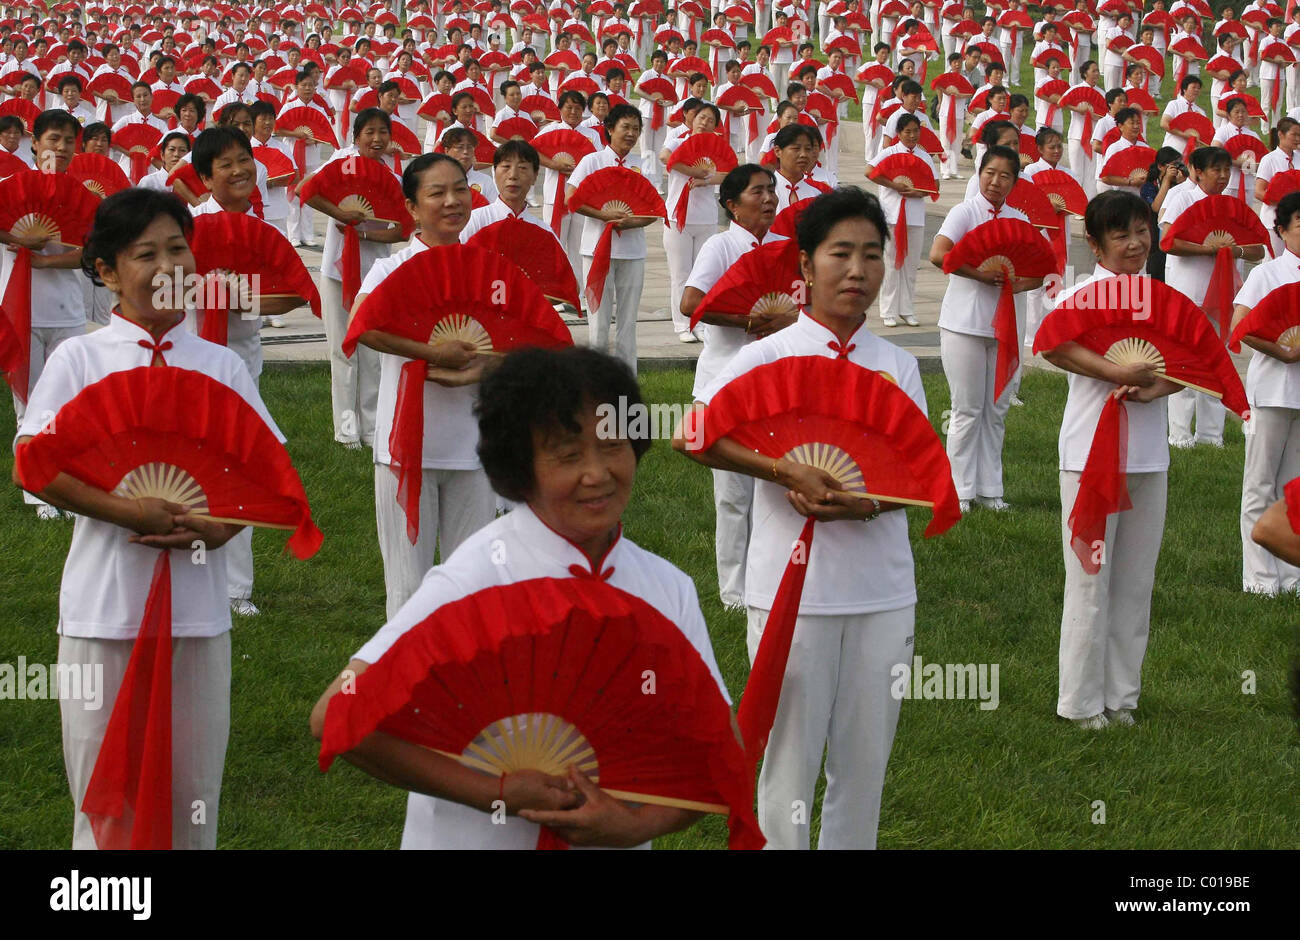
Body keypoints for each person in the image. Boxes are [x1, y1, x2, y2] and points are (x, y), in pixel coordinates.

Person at [311, 344, 730, 849]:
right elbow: (338, 717)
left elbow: (717, 750)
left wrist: (634, 827)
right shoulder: (474, 578)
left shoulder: (668, 589)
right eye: (568, 454)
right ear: (519, 467)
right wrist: (497, 791)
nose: (596, 473)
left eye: (613, 445)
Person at [14, 187, 281, 847]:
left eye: (178, 249)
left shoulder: (221, 367)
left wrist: (220, 527)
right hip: (103, 611)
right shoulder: (79, 359)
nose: (170, 268)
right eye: (146, 254)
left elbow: (261, 475)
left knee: (193, 799)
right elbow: (36, 463)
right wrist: (126, 509)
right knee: (102, 799)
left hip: (198, 615)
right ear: (105, 270)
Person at [675, 187, 922, 849]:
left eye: (872, 255)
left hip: (883, 592)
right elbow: (694, 436)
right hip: (792, 593)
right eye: (840, 253)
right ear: (806, 268)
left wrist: (866, 502)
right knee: (788, 763)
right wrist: (784, 470)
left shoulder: (898, 366)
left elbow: (922, 475)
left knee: (863, 768)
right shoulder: (765, 358)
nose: (858, 271)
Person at [1039, 190, 1182, 730]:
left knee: (1136, 582)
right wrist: (1114, 372)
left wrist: (1158, 387)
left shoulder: (1159, 294)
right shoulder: (1080, 295)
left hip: (1149, 457)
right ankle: (1080, 704)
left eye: (1141, 231)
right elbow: (1053, 345)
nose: (1135, 243)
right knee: (1090, 580)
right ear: (1095, 245)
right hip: (1089, 454)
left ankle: (1123, 699)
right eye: (1120, 234)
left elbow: (1186, 362)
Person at [352, 153, 498, 618]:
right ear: (412, 208)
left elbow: (527, 343)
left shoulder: (489, 271)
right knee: (408, 589)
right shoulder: (389, 270)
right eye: (437, 193)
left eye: (461, 189)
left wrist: (482, 368)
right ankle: (405, 682)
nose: (453, 201)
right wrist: (433, 353)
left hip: (474, 445)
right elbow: (361, 326)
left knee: (471, 584)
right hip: (405, 447)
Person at [680, 164, 791, 610]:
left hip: (778, 383)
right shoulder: (720, 246)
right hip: (726, 381)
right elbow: (691, 303)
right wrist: (751, 320)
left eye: (772, 191)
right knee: (732, 495)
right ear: (731, 204)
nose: (768, 199)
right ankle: (734, 592)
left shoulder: (787, 250)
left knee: (778, 486)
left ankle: (775, 575)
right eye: (758, 192)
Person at [930, 145, 1045, 513]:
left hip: (1005, 326)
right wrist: (979, 274)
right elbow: (939, 255)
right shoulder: (964, 212)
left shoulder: (1019, 221)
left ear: (1015, 181)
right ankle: (960, 492)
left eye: (1005, 176)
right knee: (966, 409)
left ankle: (991, 490)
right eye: (989, 173)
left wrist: (1013, 281)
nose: (995, 182)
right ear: (980, 174)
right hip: (963, 323)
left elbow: (1036, 272)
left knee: (996, 410)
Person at [0, 110, 86, 521]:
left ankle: (62, 480)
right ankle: (35, 489)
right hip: (21, 308)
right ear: (35, 143)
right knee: (29, 401)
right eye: (54, 140)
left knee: (66, 402)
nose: (62, 149)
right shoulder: (9, 188)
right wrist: (20, 238)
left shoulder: (82, 196)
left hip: (67, 308)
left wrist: (47, 261)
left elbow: (94, 251)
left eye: (69, 141)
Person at [303, 108, 406, 451]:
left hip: (374, 275)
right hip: (336, 272)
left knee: (371, 352)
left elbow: (400, 230)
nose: (377, 139)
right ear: (356, 135)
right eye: (369, 132)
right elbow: (308, 190)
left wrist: (364, 233)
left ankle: (372, 428)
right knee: (342, 350)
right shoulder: (341, 163)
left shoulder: (390, 176)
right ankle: (346, 429)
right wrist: (340, 214)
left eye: (383, 133)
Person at [1161, 146, 1266, 447]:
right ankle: (1180, 434)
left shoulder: (1230, 205)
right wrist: (1209, 250)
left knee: (1217, 362)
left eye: (1225, 170)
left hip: (1223, 296)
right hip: (1188, 292)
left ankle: (1210, 434)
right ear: (1196, 170)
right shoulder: (1180, 197)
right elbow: (1168, 240)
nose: (1222, 176)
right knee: (1185, 360)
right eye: (1215, 170)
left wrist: (1234, 251)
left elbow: (1258, 249)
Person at [1232, 191, 1300, 595]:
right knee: (1260, 484)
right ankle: (1259, 578)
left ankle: (1292, 575)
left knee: (1293, 485)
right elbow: (1241, 325)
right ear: (1282, 231)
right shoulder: (1267, 274)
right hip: (1272, 391)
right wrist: (1284, 352)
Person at [567, 103, 657, 374]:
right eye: (625, 127)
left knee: (628, 321)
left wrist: (631, 222)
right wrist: (602, 214)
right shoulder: (592, 161)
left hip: (633, 252)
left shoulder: (642, 165)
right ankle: (595, 380)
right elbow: (571, 198)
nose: (631, 134)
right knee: (599, 320)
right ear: (609, 129)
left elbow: (653, 210)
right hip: (596, 250)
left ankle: (627, 379)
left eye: (636, 129)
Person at [661, 102, 729, 343]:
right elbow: (666, 158)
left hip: (706, 217)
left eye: (711, 120)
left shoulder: (718, 147)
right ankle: (682, 324)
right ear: (691, 118)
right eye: (701, 117)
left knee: (703, 273)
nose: (704, 122)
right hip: (677, 216)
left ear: (716, 125)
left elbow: (731, 172)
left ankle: (699, 321)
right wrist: (694, 171)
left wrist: (708, 179)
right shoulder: (678, 140)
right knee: (680, 273)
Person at [866, 112, 931, 328]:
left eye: (916, 131)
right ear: (899, 133)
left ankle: (907, 309)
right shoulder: (888, 153)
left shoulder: (924, 157)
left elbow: (934, 186)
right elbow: (870, 172)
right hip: (892, 215)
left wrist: (919, 192)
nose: (912, 136)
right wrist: (895, 186)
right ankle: (888, 311)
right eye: (908, 132)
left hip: (915, 217)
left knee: (911, 265)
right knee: (892, 262)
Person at [1255, 117, 1300, 257]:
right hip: (1273, 220)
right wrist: (1285, 203)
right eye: (1294, 135)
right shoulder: (1269, 159)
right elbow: (1258, 192)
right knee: (1273, 259)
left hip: (1296, 221)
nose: (1298, 138)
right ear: (1281, 134)